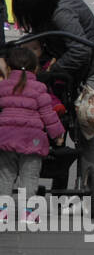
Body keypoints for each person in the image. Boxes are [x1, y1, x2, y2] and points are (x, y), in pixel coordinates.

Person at [11, 0, 94, 197]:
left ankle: (88, 186)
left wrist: (50, 71)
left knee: (84, 128)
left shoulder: (62, 12)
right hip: (65, 68)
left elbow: (81, 51)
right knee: (55, 117)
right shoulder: (46, 3)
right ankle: (58, 180)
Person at [0, 46, 66, 227]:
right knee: (29, 177)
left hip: (5, 138)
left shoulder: (3, 86)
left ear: (8, 67)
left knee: (5, 176)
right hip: (32, 140)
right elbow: (48, 116)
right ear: (35, 69)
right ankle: (28, 215)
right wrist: (58, 135)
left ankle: (2, 213)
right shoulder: (39, 88)